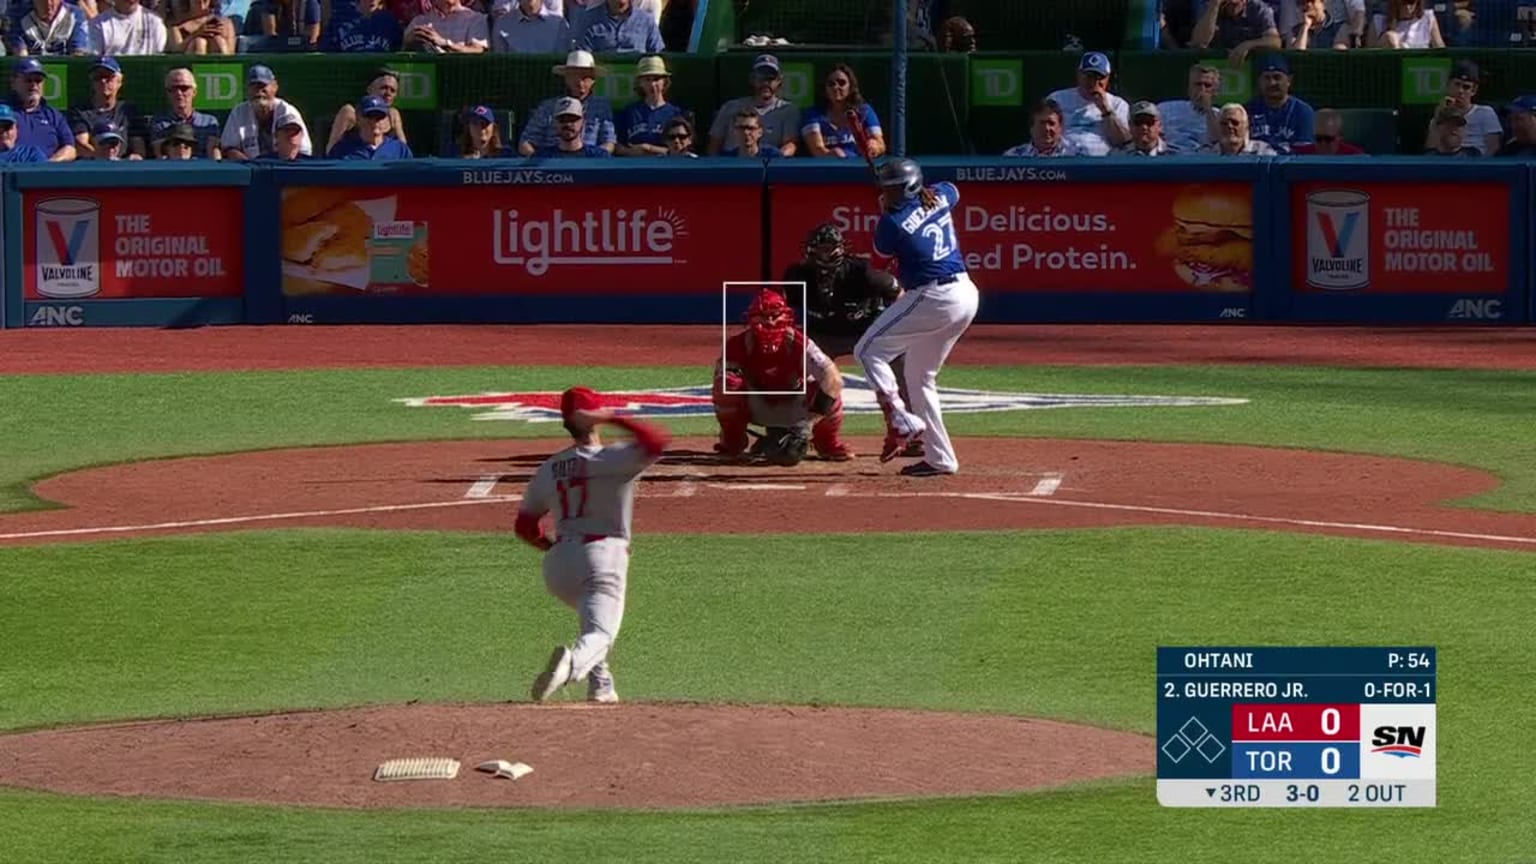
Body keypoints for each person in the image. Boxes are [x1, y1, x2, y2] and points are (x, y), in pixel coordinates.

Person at [518, 387, 671, 705]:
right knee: (602, 634)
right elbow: (656, 442)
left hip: (558, 564)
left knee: (592, 616)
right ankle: (570, 667)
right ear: (595, 417)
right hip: (603, 556)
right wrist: (615, 417)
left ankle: (601, 686)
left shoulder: (549, 468)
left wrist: (554, 551)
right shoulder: (611, 459)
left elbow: (524, 527)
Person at [855, 158, 979, 477]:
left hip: (934, 296)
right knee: (918, 375)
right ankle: (941, 458)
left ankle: (901, 419)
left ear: (906, 188)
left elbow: (881, 258)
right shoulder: (938, 194)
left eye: (892, 189)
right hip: (965, 294)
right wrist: (908, 196)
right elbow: (953, 191)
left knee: (868, 350)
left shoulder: (891, 223)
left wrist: (889, 208)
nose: (886, 193)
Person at [711, 288, 853, 464]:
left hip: (797, 406)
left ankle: (827, 444)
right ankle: (733, 441)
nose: (770, 322)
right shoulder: (737, 345)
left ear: (786, 317)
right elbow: (723, 380)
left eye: (775, 315)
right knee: (725, 384)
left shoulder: (801, 343)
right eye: (763, 316)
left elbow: (833, 379)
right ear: (751, 319)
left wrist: (807, 424)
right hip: (757, 404)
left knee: (830, 390)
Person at [801, 64, 884, 160]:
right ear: (825, 88)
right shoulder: (813, 114)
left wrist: (874, 147)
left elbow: (880, 143)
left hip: (860, 167)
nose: (836, 87)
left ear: (850, 86)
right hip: (828, 168)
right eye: (831, 84)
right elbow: (818, 150)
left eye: (842, 83)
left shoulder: (865, 111)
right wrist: (835, 154)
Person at [614, 55, 684, 157]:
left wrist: (650, 149)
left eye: (656, 79)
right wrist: (630, 152)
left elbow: (682, 149)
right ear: (640, 83)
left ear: (664, 81)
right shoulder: (629, 112)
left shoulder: (676, 113)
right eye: (647, 79)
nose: (652, 84)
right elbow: (616, 145)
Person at [326, 95, 414, 159]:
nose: (374, 121)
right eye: (369, 116)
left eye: (379, 117)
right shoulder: (342, 149)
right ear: (358, 118)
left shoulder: (400, 150)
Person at [532, 96, 612, 157]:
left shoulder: (599, 156)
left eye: (573, 119)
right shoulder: (541, 157)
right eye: (562, 120)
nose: (568, 124)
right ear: (555, 122)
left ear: (582, 122)